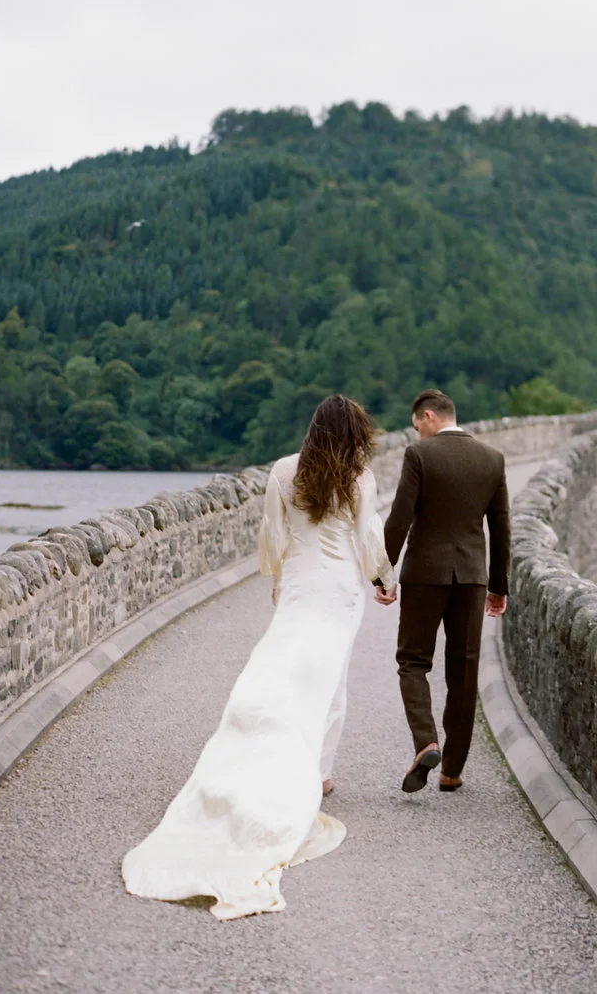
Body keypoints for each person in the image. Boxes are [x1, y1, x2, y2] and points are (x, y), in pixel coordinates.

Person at [122, 395, 395, 921]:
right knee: (327, 678)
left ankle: (272, 758)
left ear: (313, 428)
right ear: (355, 433)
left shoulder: (284, 471)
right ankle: (318, 773)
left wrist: (277, 578)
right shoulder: (359, 478)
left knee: (280, 668)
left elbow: (273, 533)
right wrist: (385, 578)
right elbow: (368, 537)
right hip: (338, 591)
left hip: (298, 583)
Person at [378, 389, 511, 794]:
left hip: (424, 575)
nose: (418, 434)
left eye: (418, 426)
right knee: (464, 670)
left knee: (413, 662)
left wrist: (383, 574)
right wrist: (498, 586)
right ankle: (451, 770)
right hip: (471, 577)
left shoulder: (421, 456)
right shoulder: (492, 458)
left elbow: (400, 516)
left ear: (430, 417)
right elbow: (502, 528)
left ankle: (426, 742)